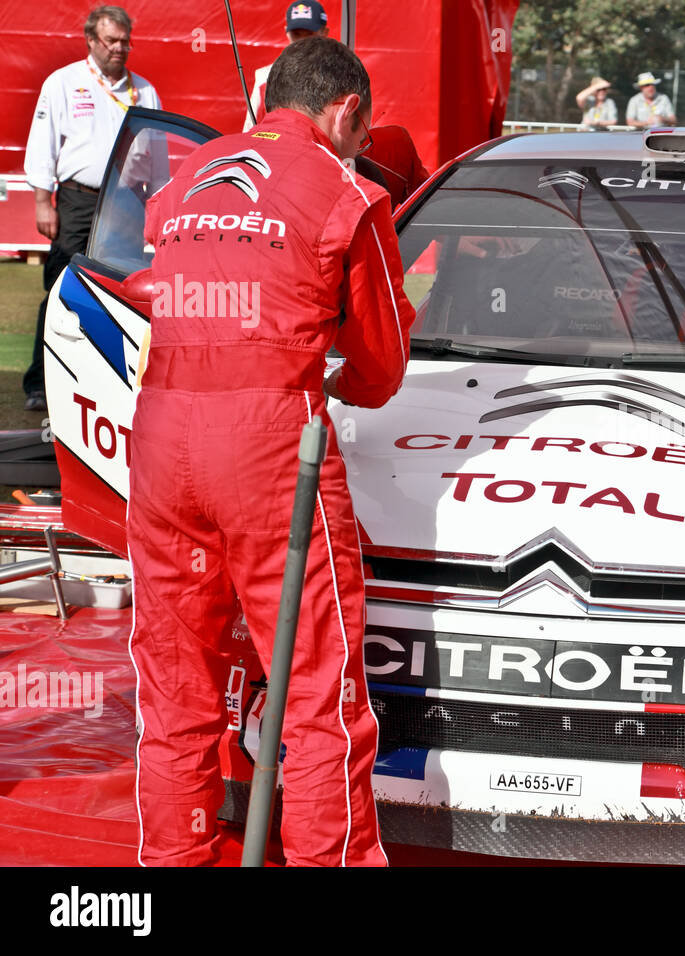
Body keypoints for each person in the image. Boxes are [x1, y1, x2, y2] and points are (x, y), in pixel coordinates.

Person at [129, 36, 415, 865]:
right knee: (320, 694)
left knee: (175, 683)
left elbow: (164, 278)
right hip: (268, 448)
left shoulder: (188, 174)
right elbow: (380, 368)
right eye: (362, 133)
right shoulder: (348, 192)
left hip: (160, 436)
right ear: (348, 112)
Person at [23, 5, 160, 412]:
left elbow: (158, 156)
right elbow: (42, 146)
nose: (119, 48)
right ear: (91, 40)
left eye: (124, 41)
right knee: (62, 289)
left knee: (122, 291)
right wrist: (41, 202)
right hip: (79, 199)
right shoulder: (63, 83)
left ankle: (114, 380)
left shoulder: (145, 90)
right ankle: (41, 382)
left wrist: (155, 207)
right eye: (111, 41)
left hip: (128, 203)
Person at [243, 0, 328, 131]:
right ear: (286, 32)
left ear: (325, 33)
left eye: (309, 34)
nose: (302, 41)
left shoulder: (339, 76)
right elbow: (249, 131)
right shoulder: (265, 77)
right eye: (297, 34)